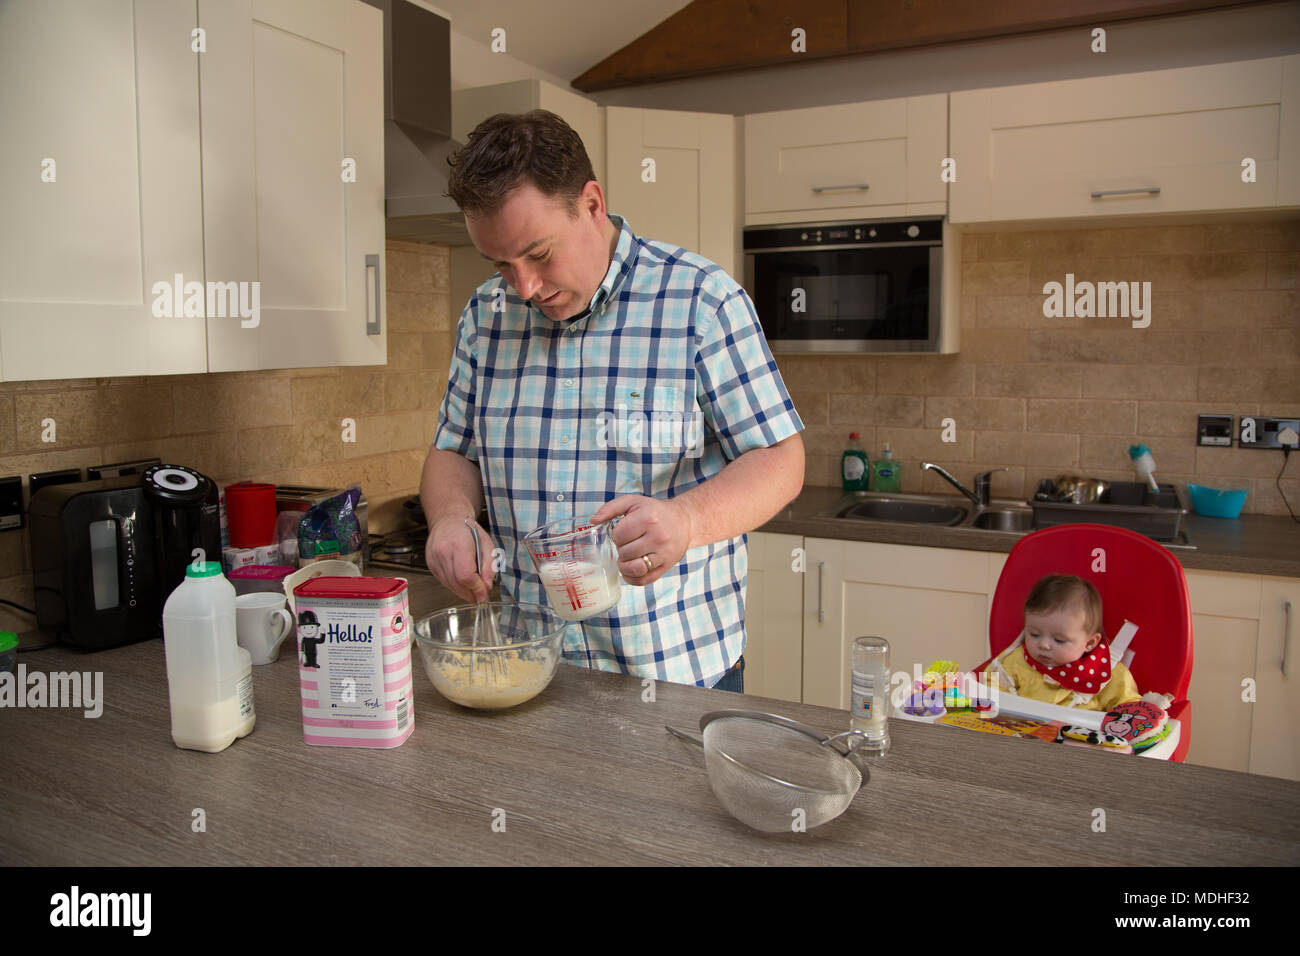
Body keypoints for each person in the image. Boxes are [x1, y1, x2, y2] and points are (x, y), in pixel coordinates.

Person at [420, 109, 805, 692]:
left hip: (674, 674)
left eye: (539, 253)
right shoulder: (485, 316)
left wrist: (686, 519)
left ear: (592, 205)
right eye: (501, 264)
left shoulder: (701, 302)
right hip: (532, 669)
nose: (523, 288)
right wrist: (450, 519)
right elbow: (453, 451)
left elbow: (781, 461)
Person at [992, 574, 1142, 711]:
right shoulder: (1017, 661)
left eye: (1059, 640)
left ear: (1090, 643)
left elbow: (1130, 712)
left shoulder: (1108, 673)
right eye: (1034, 634)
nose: (1043, 645)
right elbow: (991, 687)